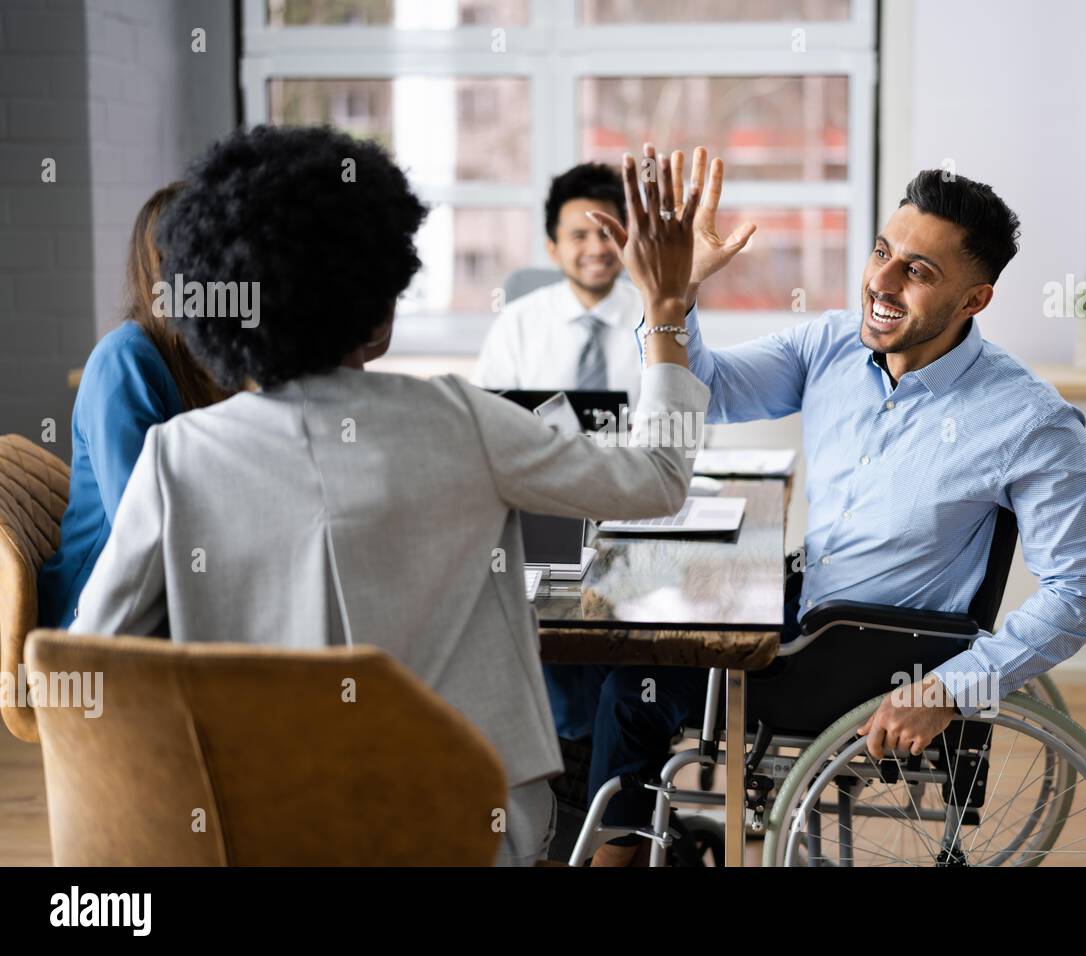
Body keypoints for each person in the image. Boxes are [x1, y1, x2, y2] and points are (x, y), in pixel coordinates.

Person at [70, 127, 711, 867]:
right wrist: (664, 308)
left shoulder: (174, 459)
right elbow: (660, 477)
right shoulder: (461, 421)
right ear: (379, 309)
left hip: (255, 832)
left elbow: (87, 657)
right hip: (462, 828)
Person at [559, 155, 1086, 865]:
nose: (880, 283)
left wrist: (954, 687)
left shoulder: (1029, 420)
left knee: (629, 688)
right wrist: (673, 299)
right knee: (617, 650)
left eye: (916, 272)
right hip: (801, 608)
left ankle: (616, 852)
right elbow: (708, 388)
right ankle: (625, 840)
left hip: (863, 658)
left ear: (973, 301)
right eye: (883, 253)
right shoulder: (830, 344)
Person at [37, 183, 231, 629]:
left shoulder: (206, 364)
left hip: (168, 601)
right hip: (100, 618)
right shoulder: (123, 361)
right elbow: (140, 525)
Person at [472, 163, 661, 407]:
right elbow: (487, 414)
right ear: (553, 249)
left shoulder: (656, 319)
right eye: (579, 236)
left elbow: (685, 417)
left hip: (633, 447)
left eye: (607, 234)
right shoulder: (516, 322)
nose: (597, 250)